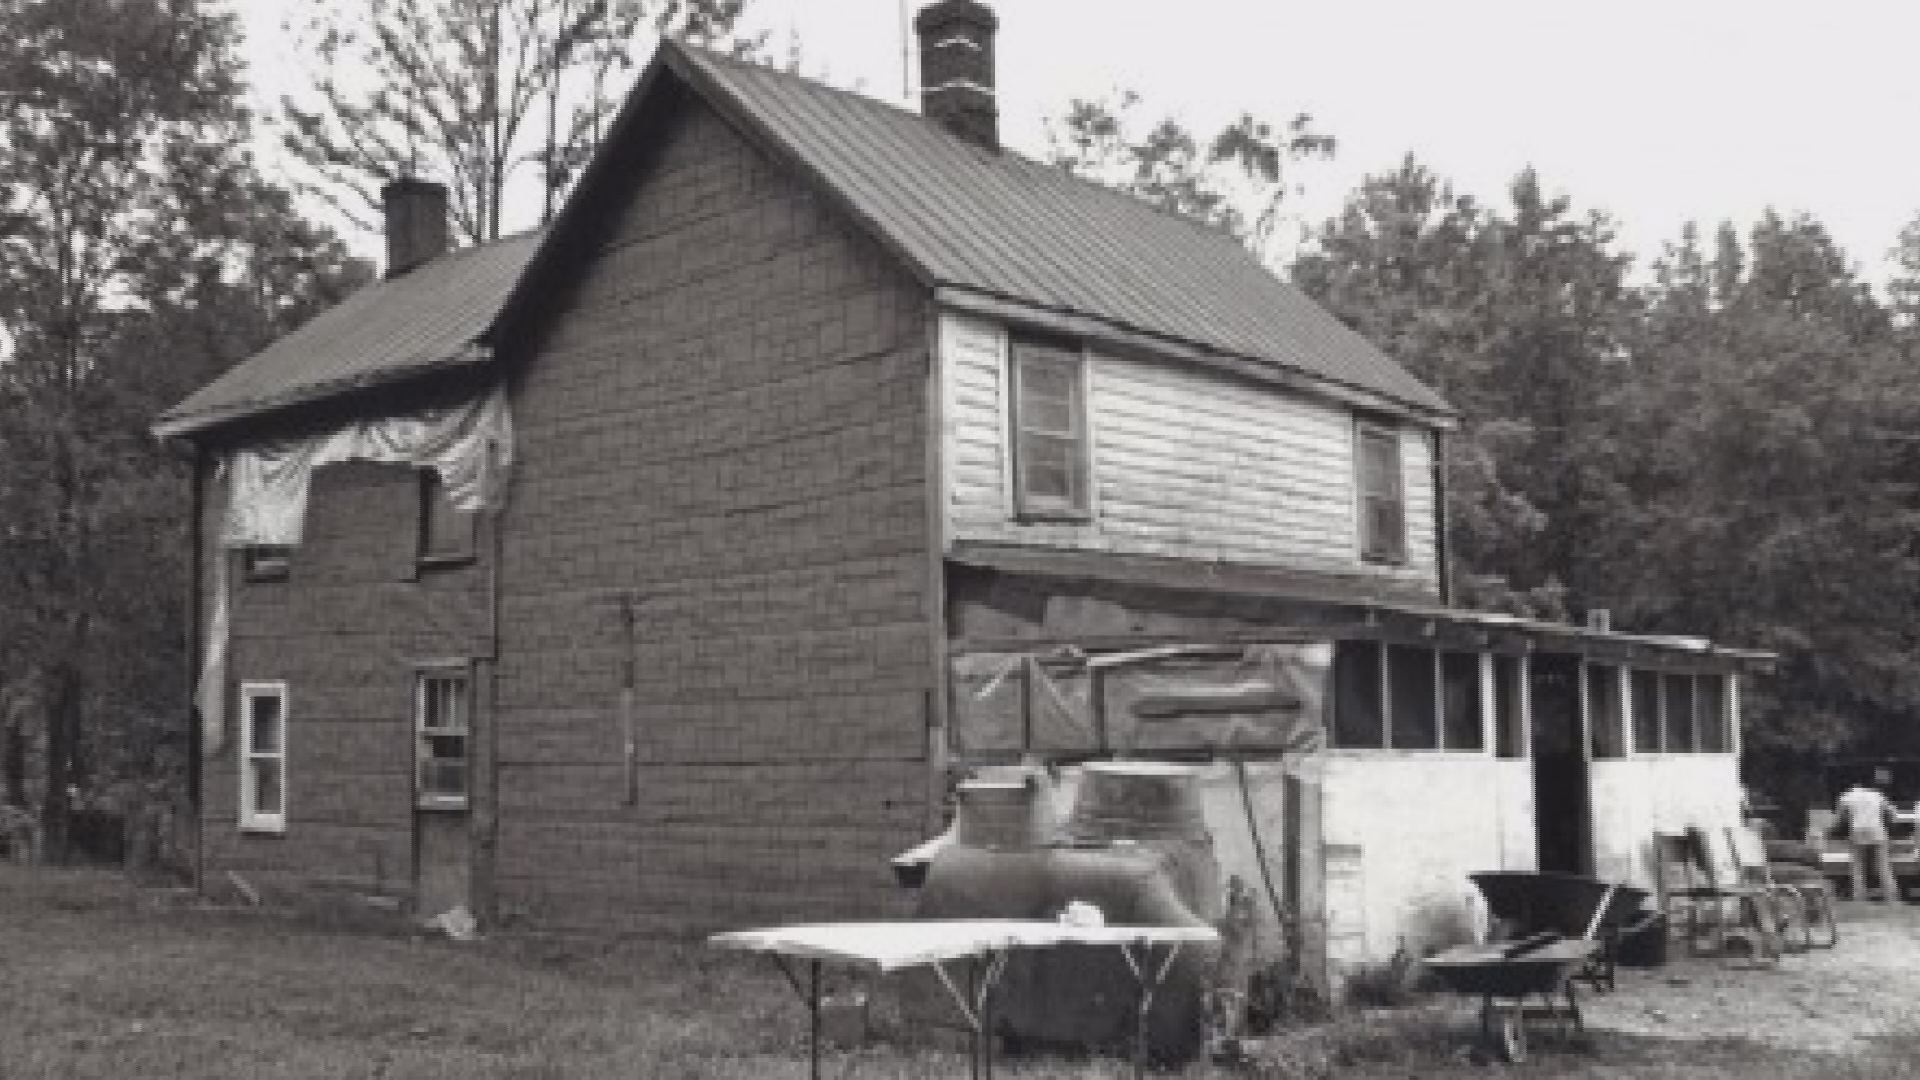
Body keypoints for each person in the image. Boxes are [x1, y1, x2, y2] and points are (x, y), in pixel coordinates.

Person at [1836, 779, 1899, 904]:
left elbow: (1840, 818)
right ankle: (1891, 897)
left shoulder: (1847, 796)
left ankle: (1859, 898)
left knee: (1857, 867)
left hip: (1857, 830)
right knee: (1883, 866)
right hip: (1876, 829)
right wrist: (1888, 823)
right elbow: (1892, 813)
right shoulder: (1877, 794)